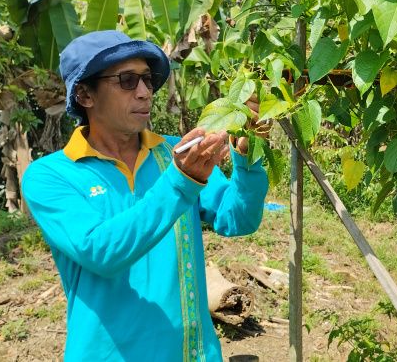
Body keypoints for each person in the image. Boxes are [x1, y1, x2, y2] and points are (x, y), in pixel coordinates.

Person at [21, 30, 269, 361]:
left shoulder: (173, 152)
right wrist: (181, 182)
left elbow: (238, 219)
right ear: (84, 95)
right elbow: (100, 251)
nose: (144, 93)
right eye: (127, 81)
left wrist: (247, 156)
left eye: (147, 80)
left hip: (191, 353)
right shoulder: (52, 176)